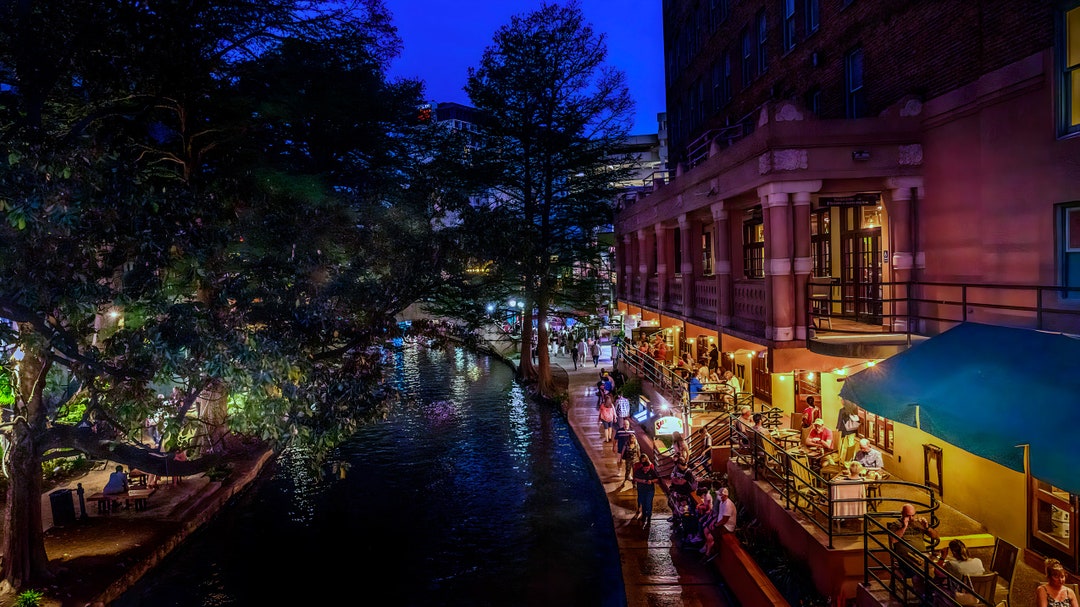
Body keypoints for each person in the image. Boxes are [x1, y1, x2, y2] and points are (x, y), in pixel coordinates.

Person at [702, 487, 736, 559]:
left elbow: (724, 520)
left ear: (725, 495)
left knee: (711, 536)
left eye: (720, 495)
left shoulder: (728, 505)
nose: (719, 496)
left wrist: (715, 525)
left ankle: (709, 553)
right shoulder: (721, 502)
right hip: (720, 523)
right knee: (706, 529)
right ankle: (707, 545)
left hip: (727, 526)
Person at [632, 453, 660, 526]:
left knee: (648, 503)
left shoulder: (651, 471)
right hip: (641, 490)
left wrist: (651, 481)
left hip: (650, 490)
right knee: (643, 503)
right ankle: (644, 516)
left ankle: (649, 517)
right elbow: (635, 478)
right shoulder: (639, 470)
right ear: (643, 467)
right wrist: (642, 481)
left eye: (648, 468)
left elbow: (657, 479)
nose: (646, 470)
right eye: (645, 468)